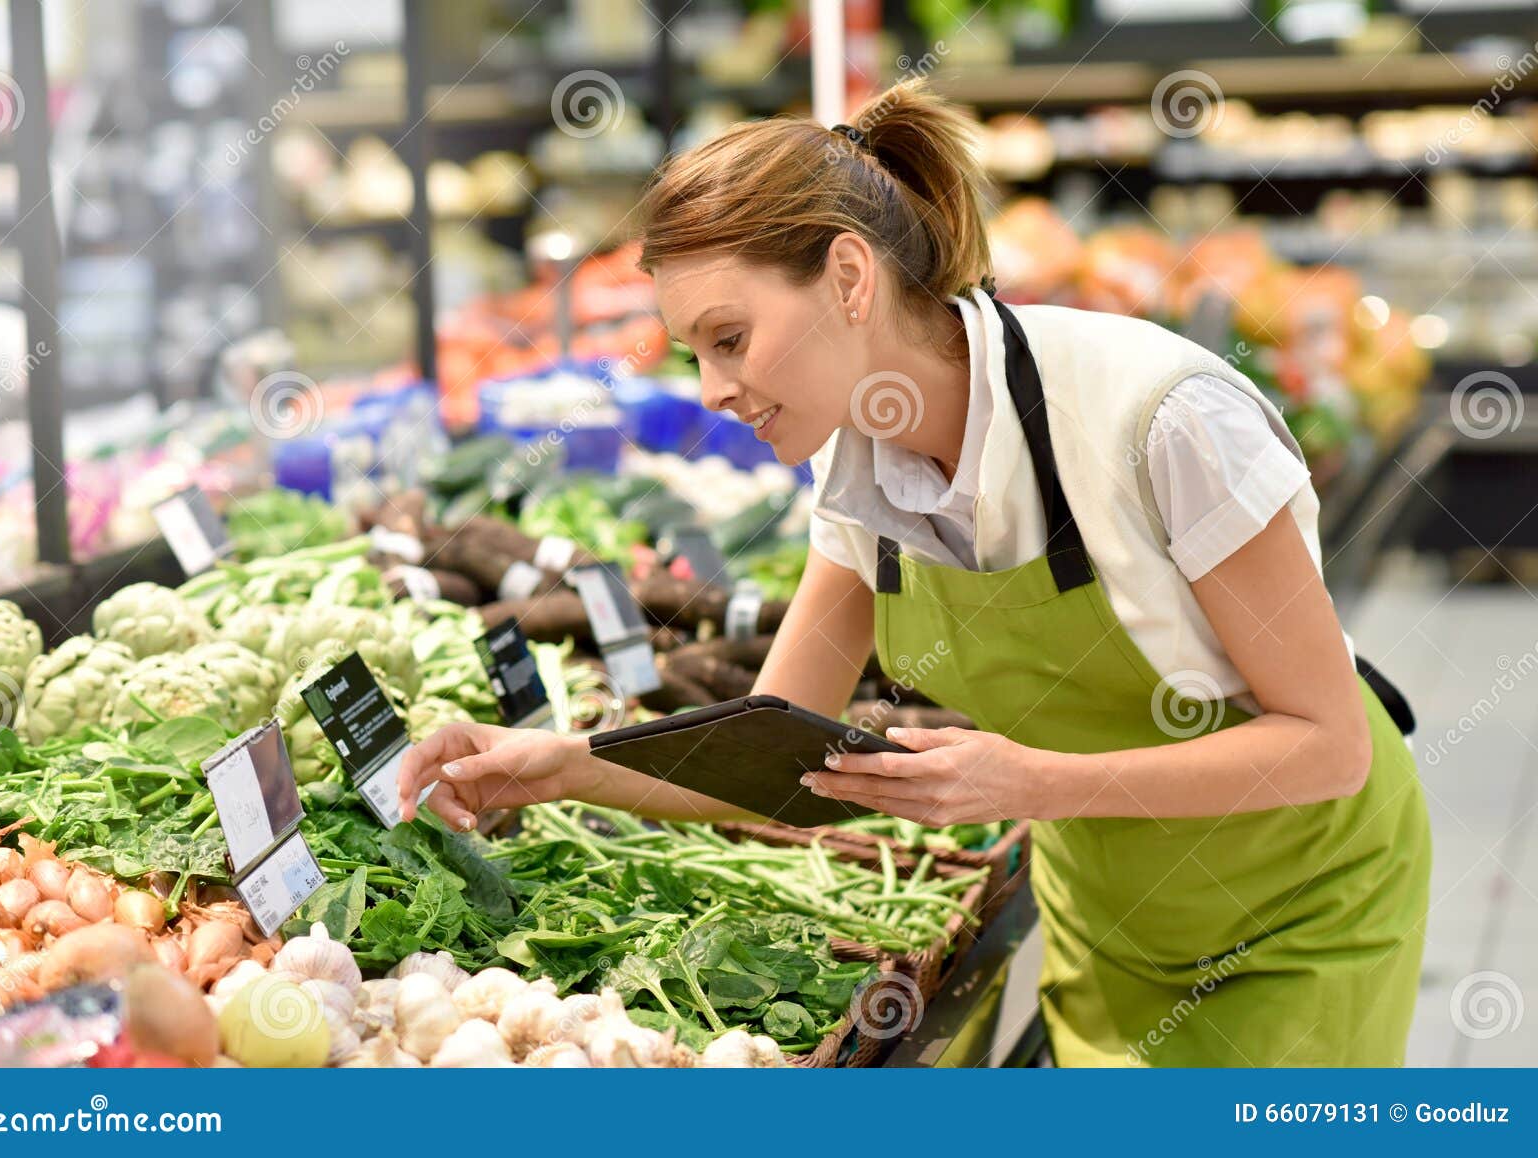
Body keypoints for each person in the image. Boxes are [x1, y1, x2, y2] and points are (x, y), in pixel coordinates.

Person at [401, 79, 1431, 1067]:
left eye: (730, 339)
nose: (713, 389)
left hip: (1297, 914)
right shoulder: (858, 465)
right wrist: (561, 762)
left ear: (850, 278)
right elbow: (772, 757)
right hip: (1113, 920)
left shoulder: (1158, 418)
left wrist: (1035, 782)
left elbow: (1324, 746)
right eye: (692, 357)